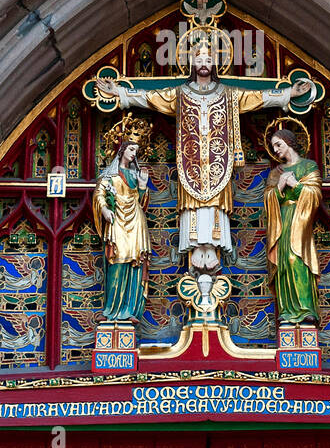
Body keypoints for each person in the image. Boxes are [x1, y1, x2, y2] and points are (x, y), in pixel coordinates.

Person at [98, 41, 311, 276]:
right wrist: (120, 92)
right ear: (192, 64)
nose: (203, 64)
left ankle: (211, 247)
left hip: (219, 162)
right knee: (193, 205)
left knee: (215, 205)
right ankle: (196, 247)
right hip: (190, 163)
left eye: (208, 60)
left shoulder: (228, 95)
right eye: (199, 60)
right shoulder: (181, 94)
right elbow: (151, 98)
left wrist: (287, 94)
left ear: (215, 64)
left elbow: (256, 98)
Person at [92, 116, 154, 323]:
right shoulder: (110, 175)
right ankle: (112, 310)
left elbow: (142, 203)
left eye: (136, 151)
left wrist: (143, 186)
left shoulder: (136, 175)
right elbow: (100, 193)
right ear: (122, 150)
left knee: (135, 264)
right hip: (117, 219)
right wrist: (103, 209)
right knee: (117, 261)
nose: (134, 154)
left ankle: (129, 309)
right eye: (131, 149)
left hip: (136, 221)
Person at [264, 127, 322, 327]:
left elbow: (315, 194)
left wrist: (295, 185)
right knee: (284, 262)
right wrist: (280, 186)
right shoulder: (275, 172)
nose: (277, 150)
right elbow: (268, 198)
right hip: (282, 220)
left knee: (297, 259)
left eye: (279, 145)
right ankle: (288, 311)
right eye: (273, 147)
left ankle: (306, 310)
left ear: (289, 142)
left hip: (300, 220)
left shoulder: (308, 166)